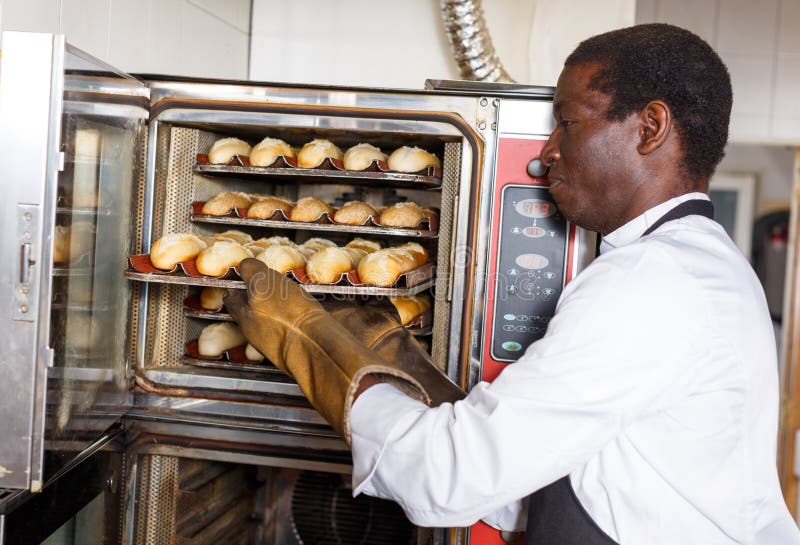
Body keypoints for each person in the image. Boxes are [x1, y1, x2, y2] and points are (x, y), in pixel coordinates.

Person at [226, 23, 800, 544]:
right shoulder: (705, 266)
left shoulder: (652, 282)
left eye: (567, 122)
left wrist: (311, 345)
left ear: (650, 127)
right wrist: (429, 395)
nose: (547, 151)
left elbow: (445, 478)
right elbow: (587, 470)